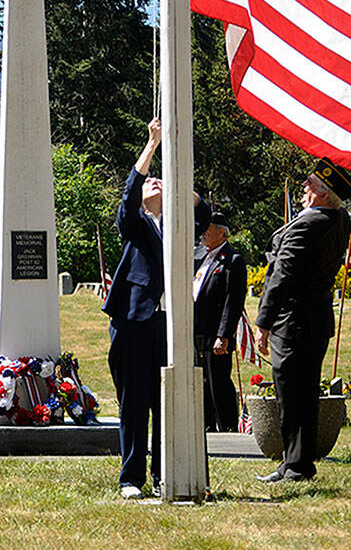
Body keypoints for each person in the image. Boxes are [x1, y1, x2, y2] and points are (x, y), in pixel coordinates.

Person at [103, 118, 210, 498]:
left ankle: (166, 471)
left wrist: (181, 186)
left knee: (165, 400)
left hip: (169, 322)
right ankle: (131, 479)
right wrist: (152, 145)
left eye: (161, 182)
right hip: (133, 321)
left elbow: (206, 215)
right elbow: (131, 193)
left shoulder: (179, 225)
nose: (156, 183)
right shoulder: (135, 224)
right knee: (134, 402)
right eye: (153, 181)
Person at [254, 158, 351, 482]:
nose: (304, 187)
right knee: (304, 395)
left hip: (293, 322)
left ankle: (296, 466)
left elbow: (281, 278)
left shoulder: (305, 225)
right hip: (317, 319)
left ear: (324, 194)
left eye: (310, 184)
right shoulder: (340, 219)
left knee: (292, 396)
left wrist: (263, 323)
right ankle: (295, 462)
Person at [192, 210, 247, 432]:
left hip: (216, 333)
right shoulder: (197, 255)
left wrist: (224, 335)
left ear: (222, 233)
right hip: (195, 329)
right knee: (199, 381)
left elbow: (232, 302)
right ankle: (205, 427)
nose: (203, 232)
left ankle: (227, 428)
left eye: (209, 227)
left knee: (218, 382)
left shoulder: (233, 260)